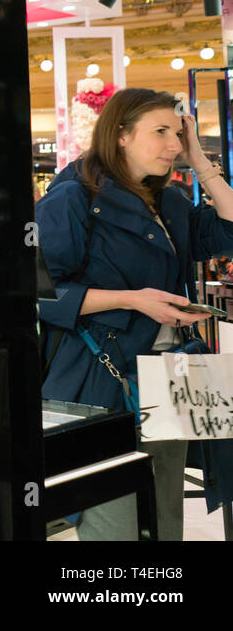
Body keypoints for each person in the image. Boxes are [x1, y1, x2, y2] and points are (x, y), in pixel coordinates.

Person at [37, 88, 233, 540]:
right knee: (113, 523)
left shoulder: (170, 202)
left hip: (167, 378)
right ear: (121, 135)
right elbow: (40, 294)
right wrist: (132, 299)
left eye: (177, 133)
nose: (172, 145)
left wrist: (201, 164)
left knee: (165, 520)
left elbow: (228, 227)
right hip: (97, 382)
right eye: (160, 132)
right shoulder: (73, 197)